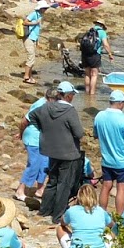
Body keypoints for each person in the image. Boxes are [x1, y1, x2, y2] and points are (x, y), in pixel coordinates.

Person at [28, 81, 85, 223]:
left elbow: (32, 116)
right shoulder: (70, 111)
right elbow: (79, 133)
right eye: (72, 95)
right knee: (64, 184)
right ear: (68, 96)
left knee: (52, 181)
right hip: (69, 152)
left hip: (51, 150)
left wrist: (44, 130)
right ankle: (58, 215)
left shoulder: (46, 107)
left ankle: (44, 210)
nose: (73, 97)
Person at [93, 89, 124, 215]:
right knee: (121, 188)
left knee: (106, 186)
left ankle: (102, 213)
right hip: (122, 161)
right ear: (120, 103)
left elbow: (95, 135)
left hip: (106, 159)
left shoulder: (99, 116)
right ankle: (119, 216)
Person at [58, 183, 112, 248]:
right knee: (109, 233)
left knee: (59, 228)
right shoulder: (101, 210)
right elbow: (112, 225)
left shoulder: (72, 210)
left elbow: (63, 223)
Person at [78, 19, 107, 99]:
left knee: (87, 74)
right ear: (102, 26)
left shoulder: (89, 31)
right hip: (95, 55)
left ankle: (87, 92)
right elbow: (105, 44)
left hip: (85, 54)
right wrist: (110, 54)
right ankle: (92, 95)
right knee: (94, 75)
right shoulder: (102, 32)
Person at [21, 0, 48, 82]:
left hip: (33, 38)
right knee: (31, 57)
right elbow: (25, 22)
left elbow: (37, 31)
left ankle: (30, 76)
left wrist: (37, 42)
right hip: (28, 37)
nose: (45, 10)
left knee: (32, 58)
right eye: (44, 8)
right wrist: (35, 23)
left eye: (46, 8)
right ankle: (26, 77)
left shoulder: (40, 16)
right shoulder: (34, 14)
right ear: (40, 8)